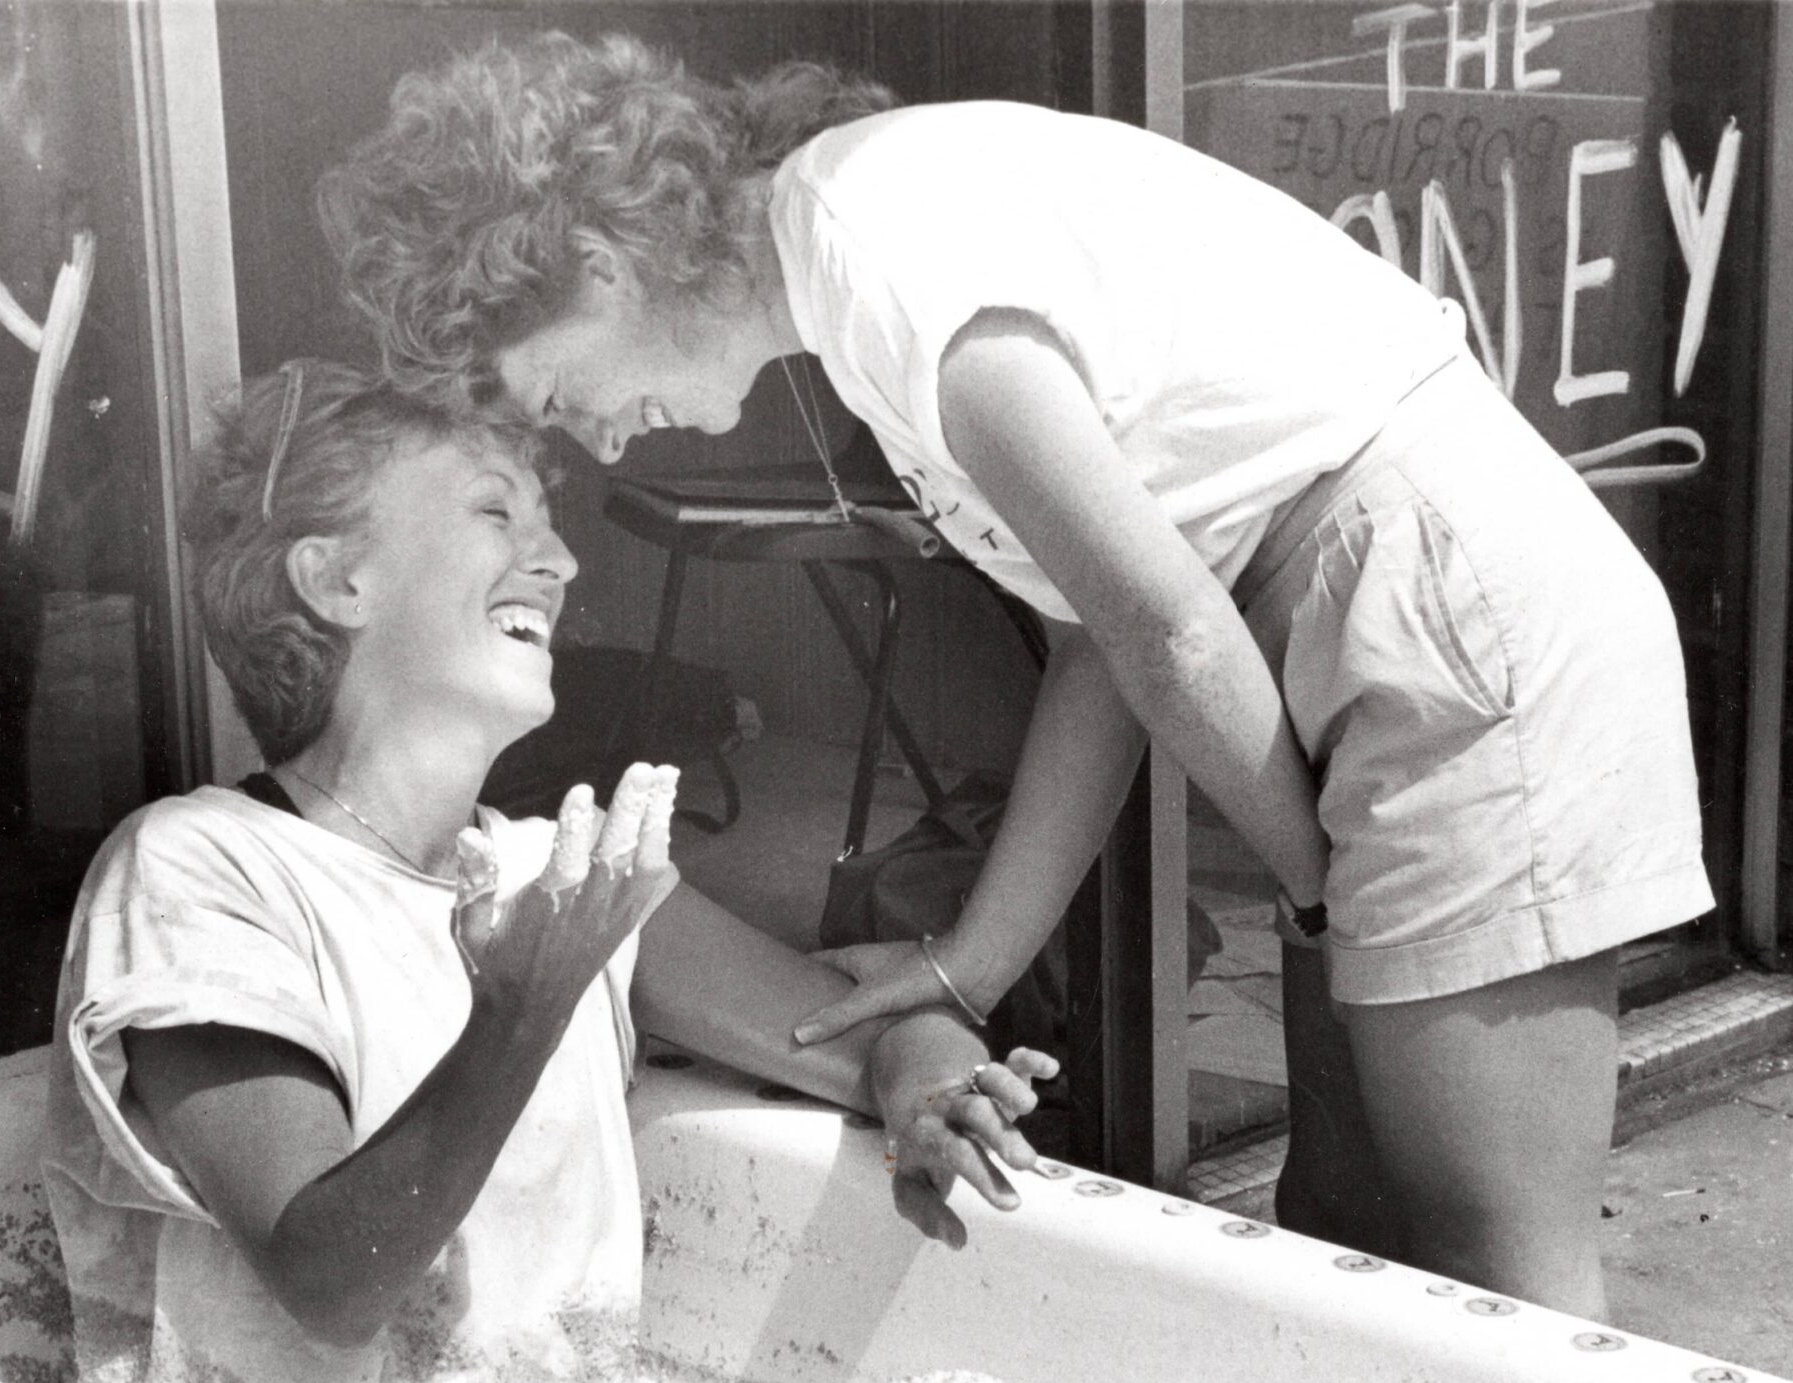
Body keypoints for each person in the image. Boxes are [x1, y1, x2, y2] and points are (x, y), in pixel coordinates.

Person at [316, 35, 1716, 1317]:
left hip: (1440, 616)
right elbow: (1100, 638)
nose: (604, 445)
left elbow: (1169, 633)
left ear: (599, 271)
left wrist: (1310, 897)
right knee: (1343, 1226)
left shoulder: (881, 260)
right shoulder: (856, 278)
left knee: (1495, 1275)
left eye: (557, 395)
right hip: (1377, 629)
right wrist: (969, 961)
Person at [39, 359, 1065, 1383]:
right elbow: (329, 1280)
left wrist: (930, 1065)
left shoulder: (539, 873)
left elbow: (844, 1023)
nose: (563, 558)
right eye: (493, 514)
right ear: (336, 580)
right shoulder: (197, 870)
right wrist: (520, 1009)